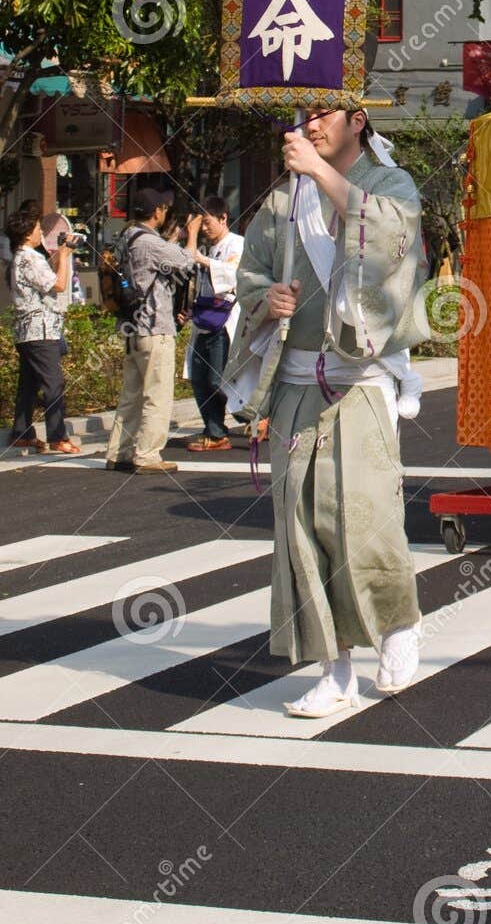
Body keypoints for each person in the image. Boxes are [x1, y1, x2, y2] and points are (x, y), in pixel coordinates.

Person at [227, 106, 429, 719]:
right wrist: (268, 300)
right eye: (303, 116)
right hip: (295, 380)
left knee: (363, 519)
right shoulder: (283, 199)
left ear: (358, 120)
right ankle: (334, 667)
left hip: (361, 378)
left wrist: (320, 173)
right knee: (300, 530)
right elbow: (250, 275)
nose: (310, 125)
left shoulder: (389, 182)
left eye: (323, 114)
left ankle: (397, 625)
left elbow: (394, 243)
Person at [104, 188, 198, 472]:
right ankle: (147, 455)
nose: (165, 212)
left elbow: (155, 263)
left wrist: (172, 241)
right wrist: (192, 236)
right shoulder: (150, 242)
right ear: (156, 212)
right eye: (164, 209)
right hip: (155, 328)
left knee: (131, 395)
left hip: (133, 328)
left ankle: (118, 453)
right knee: (157, 395)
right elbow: (187, 262)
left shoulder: (128, 238)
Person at [4, 206, 81, 456]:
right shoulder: (29, 258)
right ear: (27, 233)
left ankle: (22, 433)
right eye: (38, 228)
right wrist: (66, 256)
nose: (40, 232)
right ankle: (58, 437)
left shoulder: (22, 257)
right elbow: (58, 284)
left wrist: (60, 252)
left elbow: (46, 279)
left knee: (29, 383)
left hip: (27, 332)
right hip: (41, 330)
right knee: (53, 383)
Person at [184, 196, 245, 452]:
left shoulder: (237, 244)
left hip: (225, 320)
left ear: (223, 218)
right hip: (204, 317)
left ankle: (252, 417)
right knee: (199, 377)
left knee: (218, 379)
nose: (205, 229)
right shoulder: (210, 249)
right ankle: (215, 431)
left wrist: (203, 260)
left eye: (208, 223)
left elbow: (234, 276)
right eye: (201, 225)